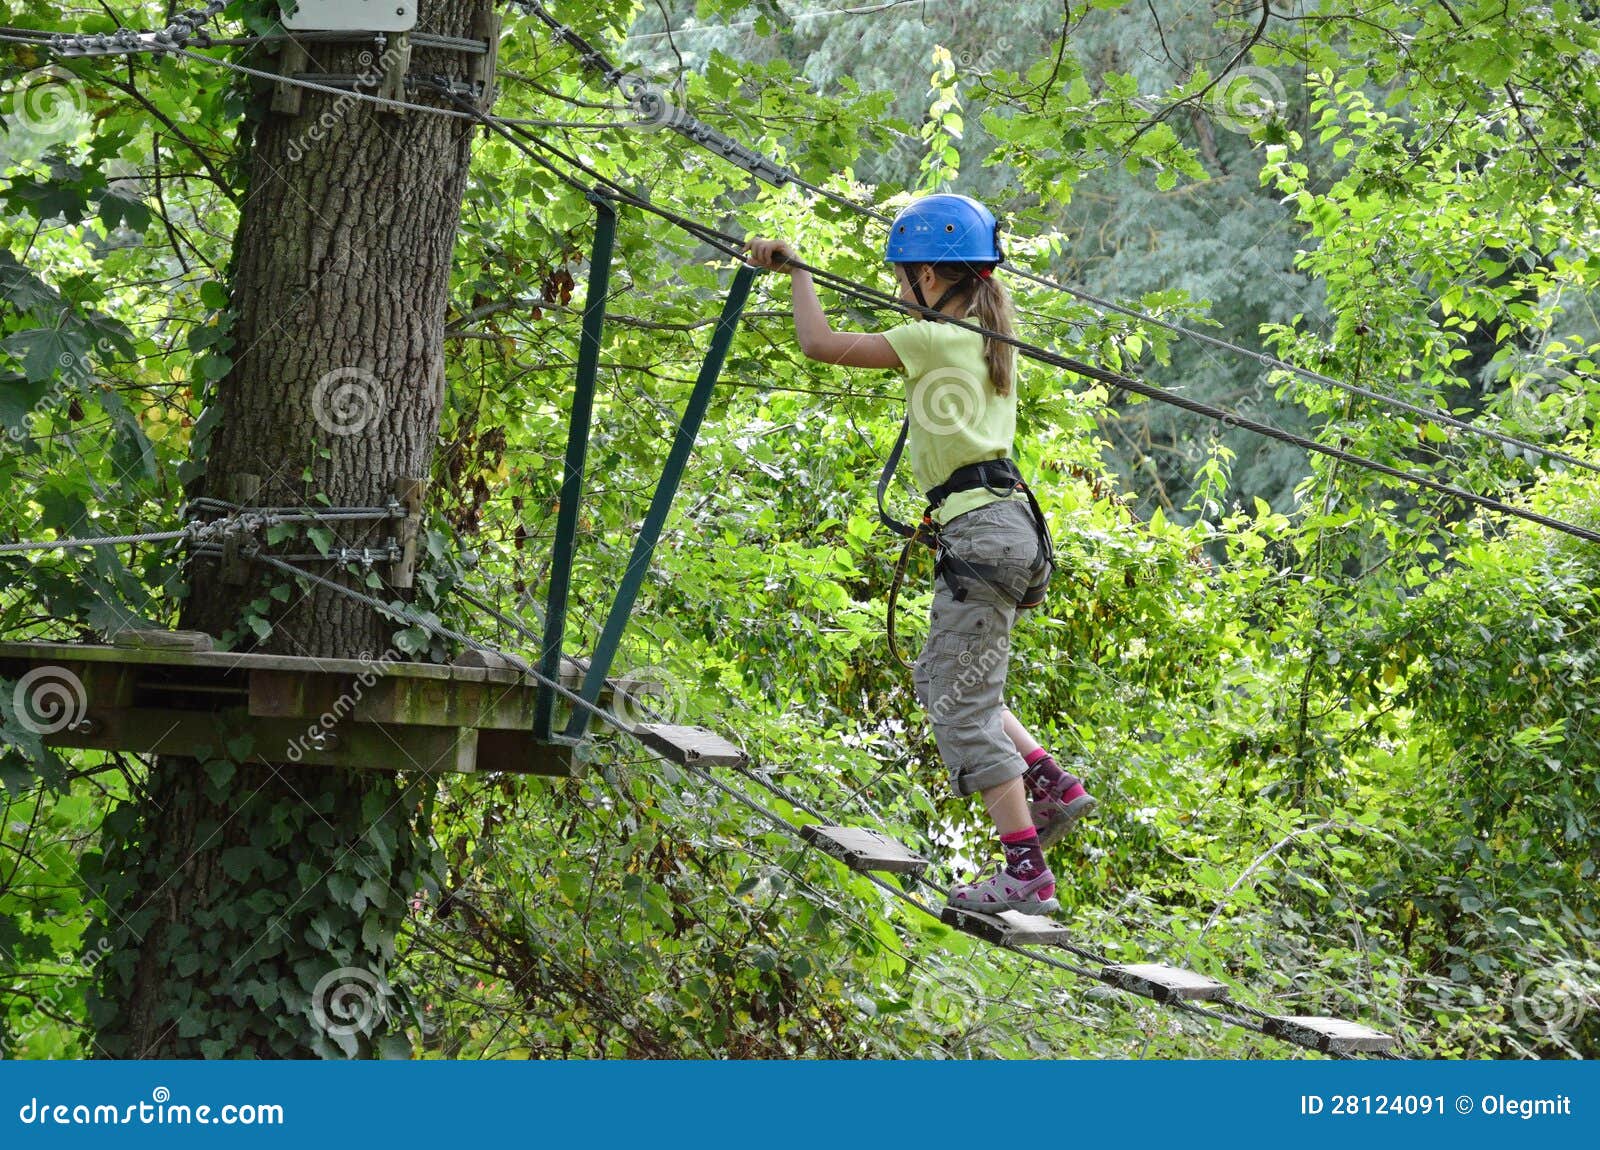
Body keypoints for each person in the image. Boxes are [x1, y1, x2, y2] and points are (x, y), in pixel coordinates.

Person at [747, 193, 1096, 916]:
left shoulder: (936, 340)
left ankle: (1026, 871)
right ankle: (1047, 781)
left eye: (903, 278)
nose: (897, 292)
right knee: (949, 677)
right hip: (1007, 530)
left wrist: (798, 273)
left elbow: (820, 344)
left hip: (983, 535)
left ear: (932, 278)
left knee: (959, 706)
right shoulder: (988, 340)